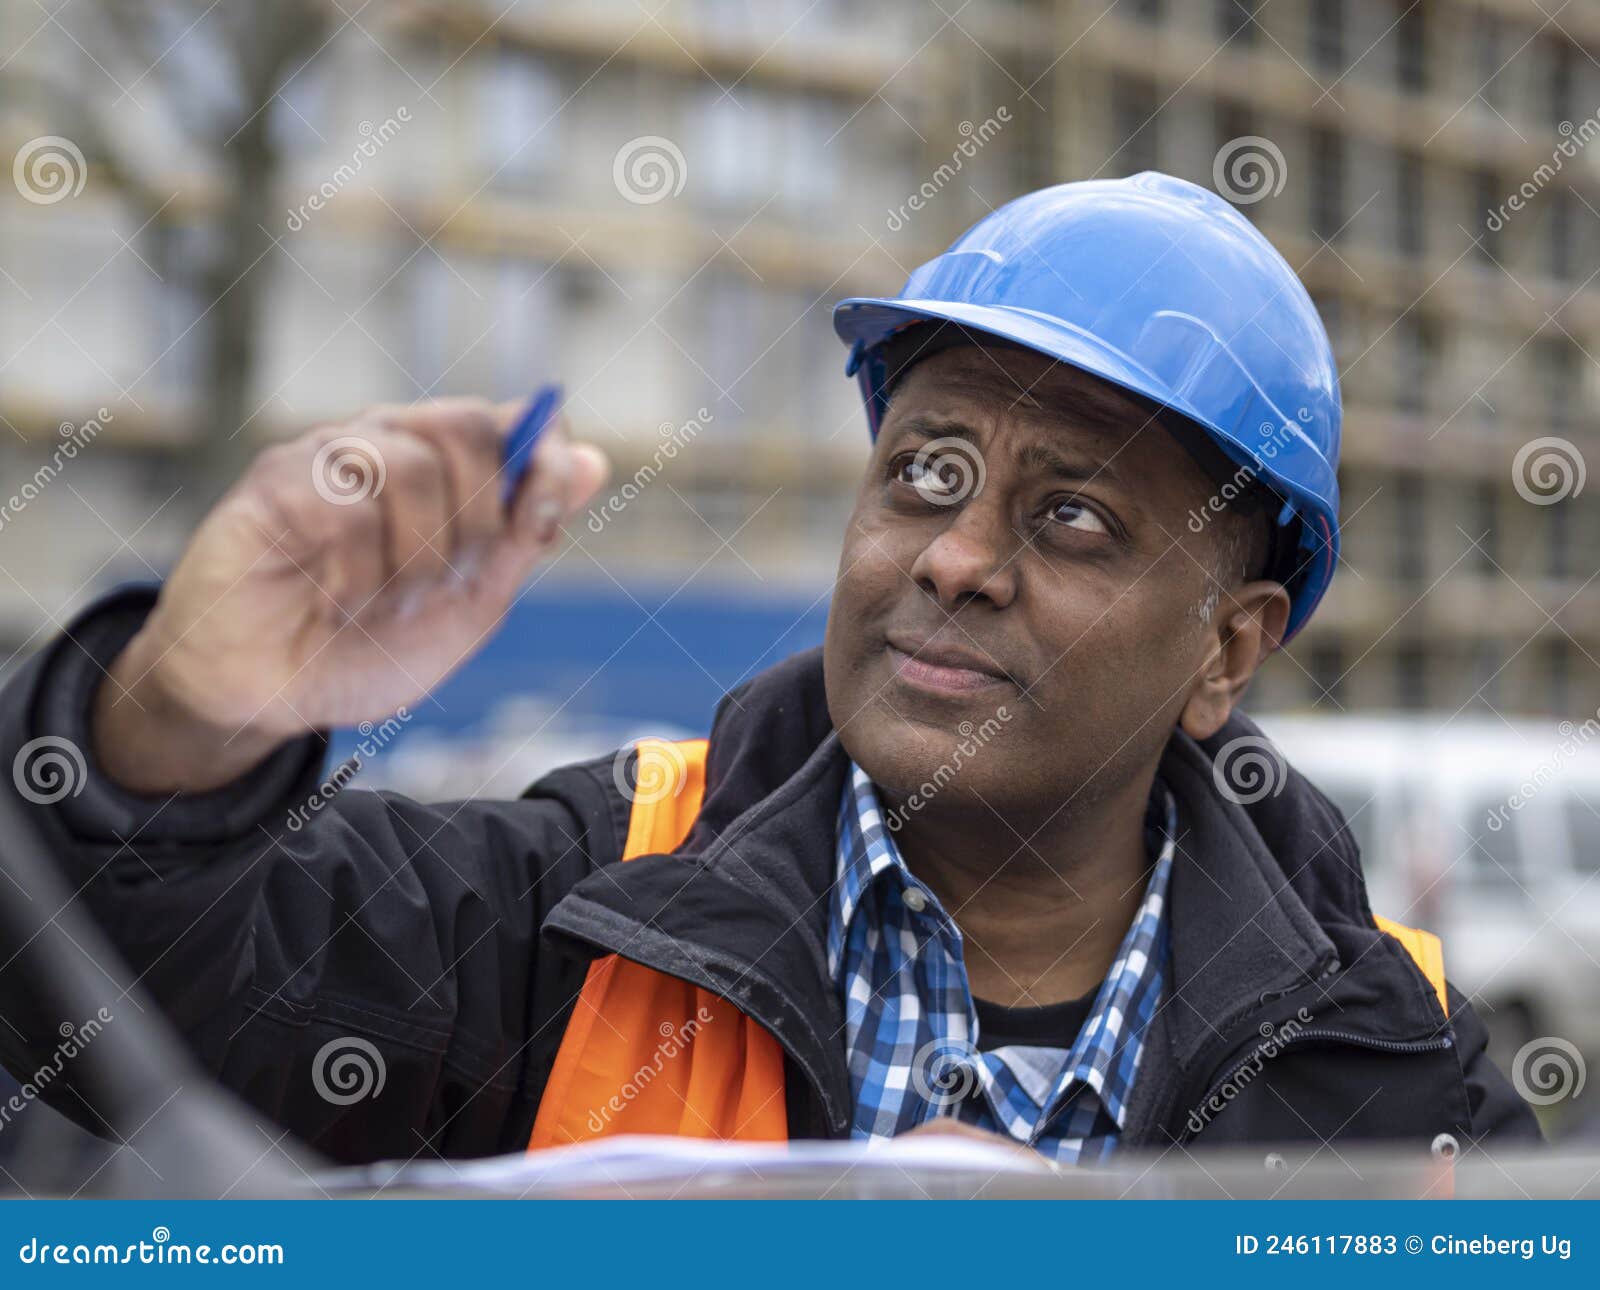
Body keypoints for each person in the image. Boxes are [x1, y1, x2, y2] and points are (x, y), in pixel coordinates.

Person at [0, 173, 1537, 1166]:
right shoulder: (578, 907)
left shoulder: (1394, 1070)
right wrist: (180, 712)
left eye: (1069, 515)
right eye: (925, 473)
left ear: (1228, 649)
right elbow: (114, 962)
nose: (952, 557)